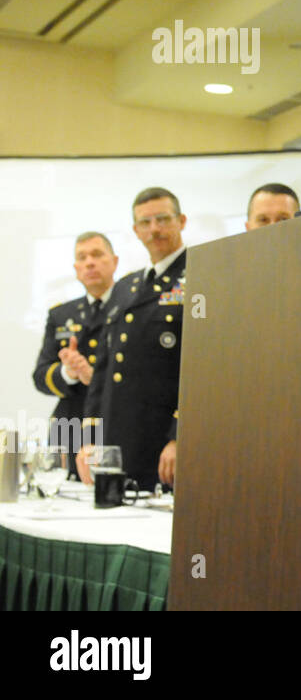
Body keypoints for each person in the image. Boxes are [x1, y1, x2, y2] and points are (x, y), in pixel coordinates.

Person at [78, 187, 187, 491]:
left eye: (163, 219)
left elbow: (206, 369)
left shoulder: (203, 274)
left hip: (164, 449)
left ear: (182, 221)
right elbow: (103, 372)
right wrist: (90, 439)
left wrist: (181, 436)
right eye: (145, 222)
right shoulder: (126, 286)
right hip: (117, 447)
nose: (154, 229)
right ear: (136, 230)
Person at [31, 232, 119, 475]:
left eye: (97, 254)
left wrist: (96, 376)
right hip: (68, 424)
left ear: (115, 261)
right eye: (82, 257)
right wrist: (68, 373)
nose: (89, 262)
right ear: (76, 268)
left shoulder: (130, 308)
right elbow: (40, 377)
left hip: (113, 419)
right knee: (58, 492)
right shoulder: (61, 315)